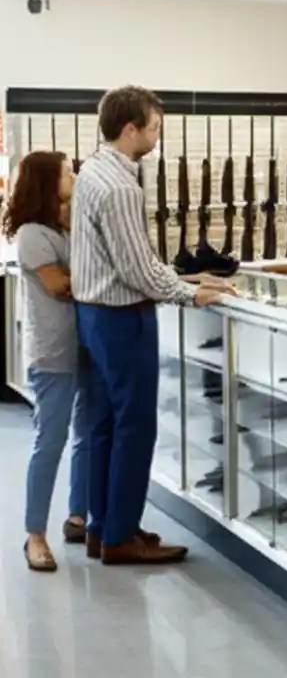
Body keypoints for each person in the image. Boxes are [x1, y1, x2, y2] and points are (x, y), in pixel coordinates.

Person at [71, 85, 235, 565]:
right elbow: (136, 271)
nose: (158, 136)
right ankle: (121, 536)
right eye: (155, 127)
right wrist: (191, 292)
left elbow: (129, 259)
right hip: (123, 319)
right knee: (135, 428)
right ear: (131, 129)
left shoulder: (91, 172)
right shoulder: (121, 187)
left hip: (94, 316)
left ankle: (104, 529)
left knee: (104, 426)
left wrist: (183, 274)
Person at [4, 151, 88, 572]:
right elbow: (59, 286)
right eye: (68, 171)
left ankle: (78, 517)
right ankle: (34, 535)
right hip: (54, 353)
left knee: (87, 435)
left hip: (85, 347)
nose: (74, 175)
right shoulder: (33, 234)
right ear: (46, 181)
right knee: (50, 441)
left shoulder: (64, 227)